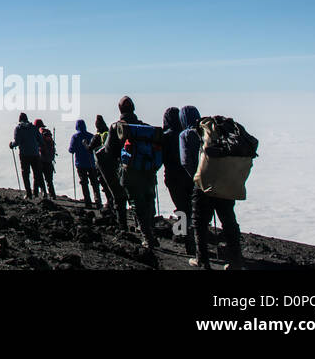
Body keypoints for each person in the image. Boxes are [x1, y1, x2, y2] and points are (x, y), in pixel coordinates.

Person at [180, 104, 243, 269]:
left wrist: (198, 178)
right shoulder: (218, 133)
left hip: (202, 185)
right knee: (228, 220)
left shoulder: (187, 134)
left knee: (199, 222)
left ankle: (202, 260)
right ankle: (236, 261)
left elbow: (186, 161)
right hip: (224, 183)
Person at [103, 95, 160, 248]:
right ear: (133, 108)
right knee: (148, 200)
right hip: (148, 169)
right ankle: (151, 233)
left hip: (129, 171)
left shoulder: (116, 127)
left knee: (137, 202)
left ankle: (148, 238)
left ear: (120, 110)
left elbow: (109, 151)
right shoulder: (145, 127)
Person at [160, 106, 194, 253]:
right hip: (189, 176)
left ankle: (184, 238)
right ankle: (192, 238)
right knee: (190, 207)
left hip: (173, 178)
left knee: (181, 207)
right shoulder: (185, 133)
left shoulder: (165, 137)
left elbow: (161, 159)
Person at [93, 114, 128, 227]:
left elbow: (108, 151)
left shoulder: (113, 129)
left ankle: (122, 225)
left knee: (116, 195)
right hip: (138, 167)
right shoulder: (139, 128)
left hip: (113, 167)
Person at [68, 119, 103, 208]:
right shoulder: (91, 135)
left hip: (80, 163)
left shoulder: (75, 137)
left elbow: (71, 149)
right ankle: (98, 201)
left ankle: (88, 202)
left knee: (84, 183)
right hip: (91, 163)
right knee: (94, 182)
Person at [9, 112, 44, 198]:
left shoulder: (18, 128)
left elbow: (17, 142)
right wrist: (36, 146)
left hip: (24, 154)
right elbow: (41, 141)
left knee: (25, 174)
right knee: (37, 173)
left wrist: (11, 145)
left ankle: (29, 194)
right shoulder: (33, 128)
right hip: (35, 154)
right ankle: (36, 192)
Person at [34, 119, 57, 198]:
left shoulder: (38, 133)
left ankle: (41, 193)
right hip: (49, 159)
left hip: (40, 159)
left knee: (39, 177)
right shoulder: (48, 133)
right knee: (49, 179)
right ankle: (52, 194)